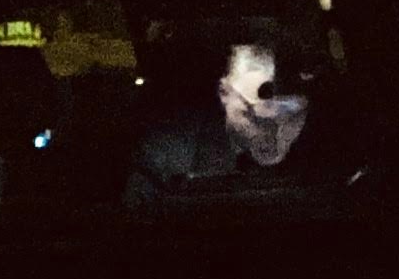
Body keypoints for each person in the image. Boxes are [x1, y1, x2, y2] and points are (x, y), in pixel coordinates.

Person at [127, 33, 318, 200]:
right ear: (224, 93)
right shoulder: (168, 155)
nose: (275, 132)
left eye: (289, 111)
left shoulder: (332, 152)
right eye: (253, 114)